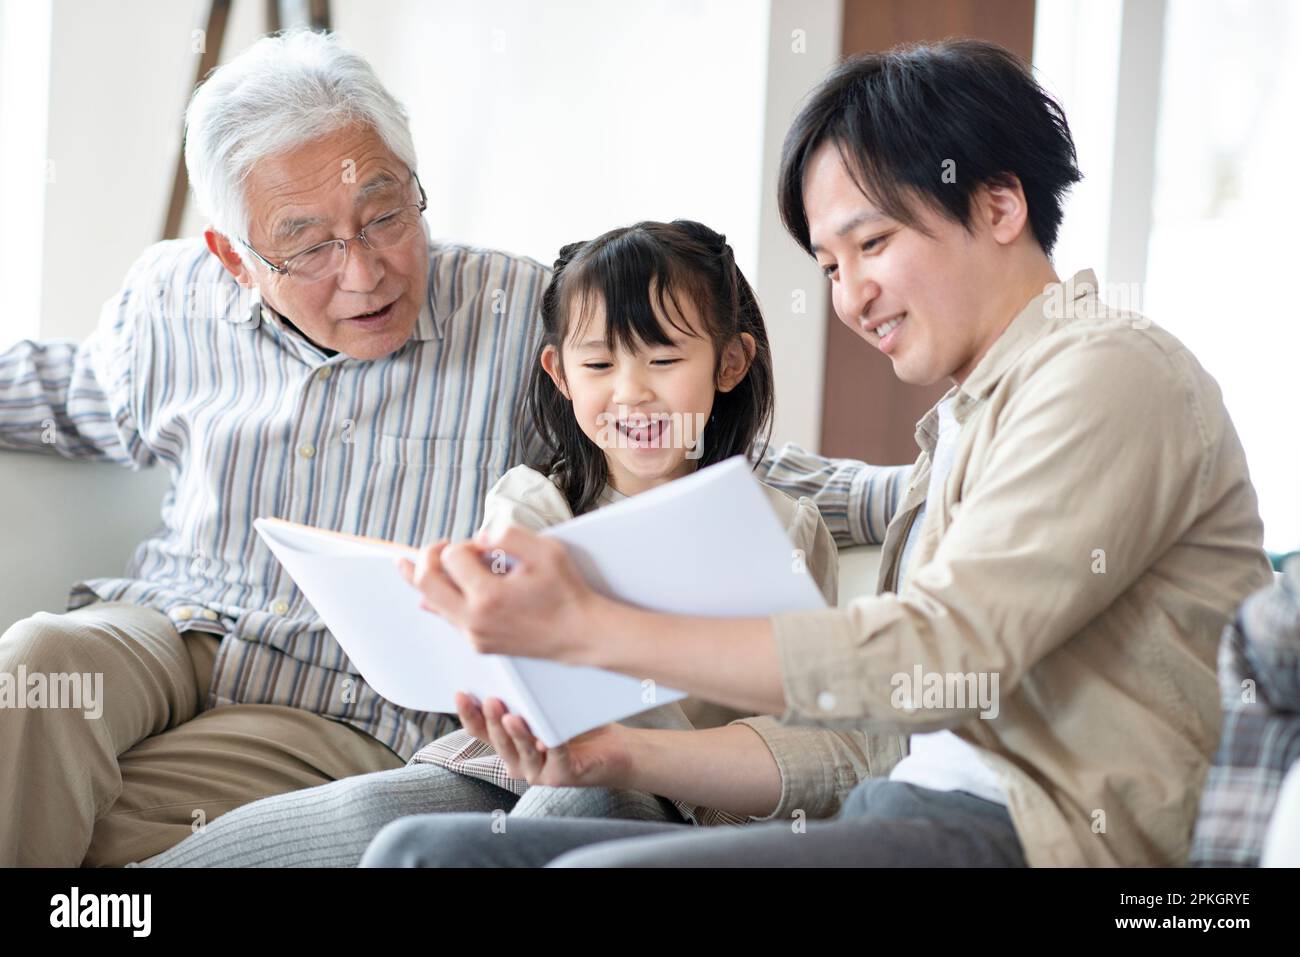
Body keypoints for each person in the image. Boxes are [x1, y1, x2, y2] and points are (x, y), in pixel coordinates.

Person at [0, 30, 904, 867]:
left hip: (341, 698)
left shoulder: (521, 313)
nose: (363, 271)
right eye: (306, 246)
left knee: (93, 832)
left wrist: (947, 484)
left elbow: (675, 448)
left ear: (414, 179)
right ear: (233, 257)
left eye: (384, 216)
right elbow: (64, 392)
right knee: (33, 665)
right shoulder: (170, 301)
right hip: (175, 625)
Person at [364, 38, 1274, 868]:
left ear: (1000, 204)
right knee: (426, 852)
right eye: (831, 267)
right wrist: (615, 753)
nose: (850, 297)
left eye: (871, 242)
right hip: (897, 809)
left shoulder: (1108, 371)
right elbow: (870, 736)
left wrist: (587, 626)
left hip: (1047, 843)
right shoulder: (960, 427)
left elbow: (940, 653)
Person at [139, 220, 904, 868]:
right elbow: (500, 634)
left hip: (669, 799)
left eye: (664, 360)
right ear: (560, 375)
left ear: (729, 363)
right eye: (599, 363)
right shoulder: (533, 499)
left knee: (578, 797)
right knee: (377, 810)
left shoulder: (781, 526)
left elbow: (812, 727)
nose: (631, 391)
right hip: (497, 763)